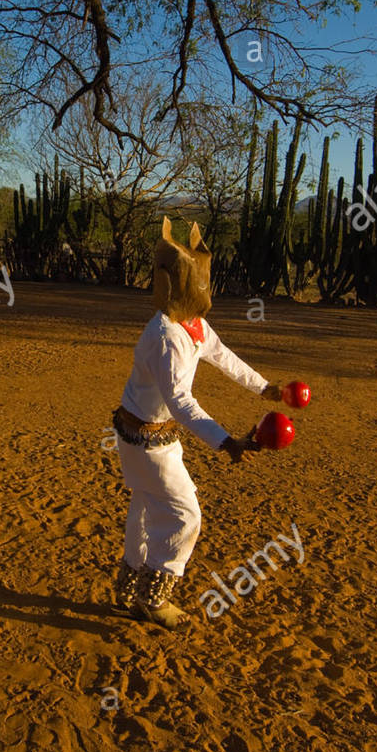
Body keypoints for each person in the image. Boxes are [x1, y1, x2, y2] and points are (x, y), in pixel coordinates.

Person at [112, 217, 281, 629]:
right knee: (185, 514)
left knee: (146, 510)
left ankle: (130, 589)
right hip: (147, 439)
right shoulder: (168, 336)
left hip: (143, 433)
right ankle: (154, 598)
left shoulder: (193, 325)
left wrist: (264, 388)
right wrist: (225, 441)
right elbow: (181, 401)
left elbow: (222, 355)